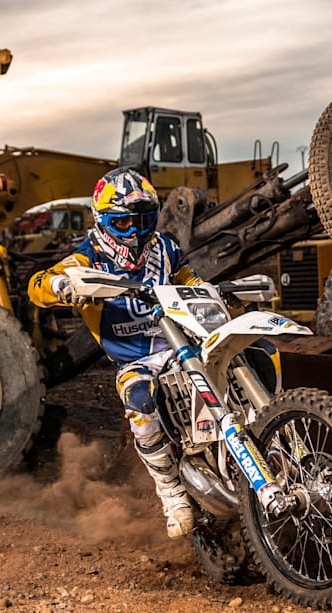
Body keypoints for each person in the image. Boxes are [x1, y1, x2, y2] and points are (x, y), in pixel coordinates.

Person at [27, 167, 201, 538]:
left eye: (143, 219)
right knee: (140, 401)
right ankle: (170, 491)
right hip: (136, 360)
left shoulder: (166, 249)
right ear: (103, 222)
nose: (136, 231)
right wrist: (61, 284)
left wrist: (207, 291)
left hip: (182, 346)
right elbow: (36, 286)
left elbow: (191, 282)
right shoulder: (88, 258)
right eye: (123, 223)